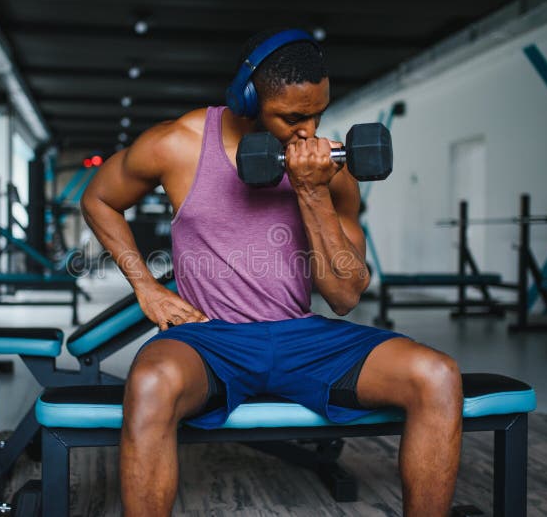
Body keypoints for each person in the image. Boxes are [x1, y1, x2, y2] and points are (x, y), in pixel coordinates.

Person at [81, 28, 462, 517]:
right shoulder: (179, 143)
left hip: (303, 337)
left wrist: (313, 192)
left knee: (436, 375)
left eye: (318, 114)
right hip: (210, 340)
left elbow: (344, 296)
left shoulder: (332, 171)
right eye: (293, 117)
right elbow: (99, 198)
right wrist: (145, 287)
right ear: (247, 99)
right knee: (151, 384)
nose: (309, 132)